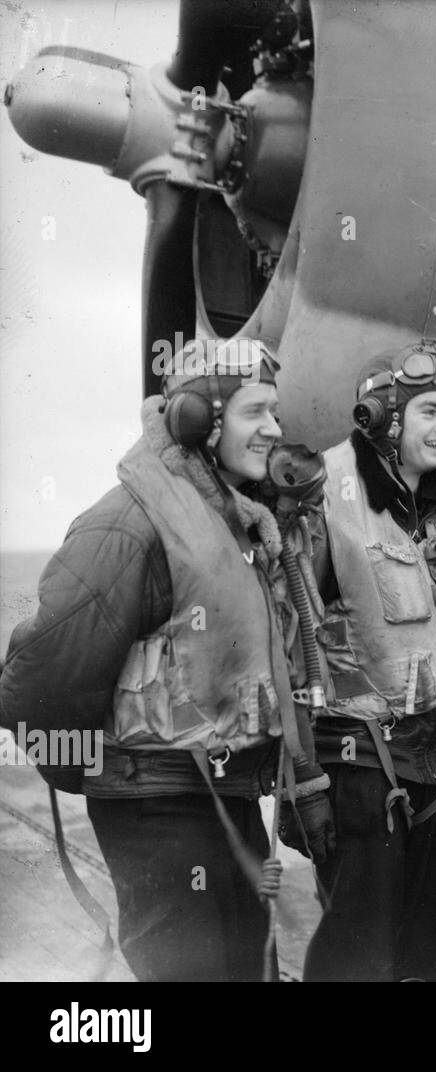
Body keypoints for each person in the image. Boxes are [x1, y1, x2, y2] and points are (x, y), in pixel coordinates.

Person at [0, 337, 332, 982]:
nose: (274, 429)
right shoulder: (128, 526)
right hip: (155, 806)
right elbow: (39, 680)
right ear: (197, 421)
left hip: (225, 796)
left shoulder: (236, 522)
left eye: (274, 411)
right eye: (254, 411)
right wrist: (93, 773)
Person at [301, 340, 436, 982]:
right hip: (362, 765)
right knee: (359, 948)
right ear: (382, 419)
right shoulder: (328, 498)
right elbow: (288, 637)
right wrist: (303, 780)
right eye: (430, 411)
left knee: (431, 949)